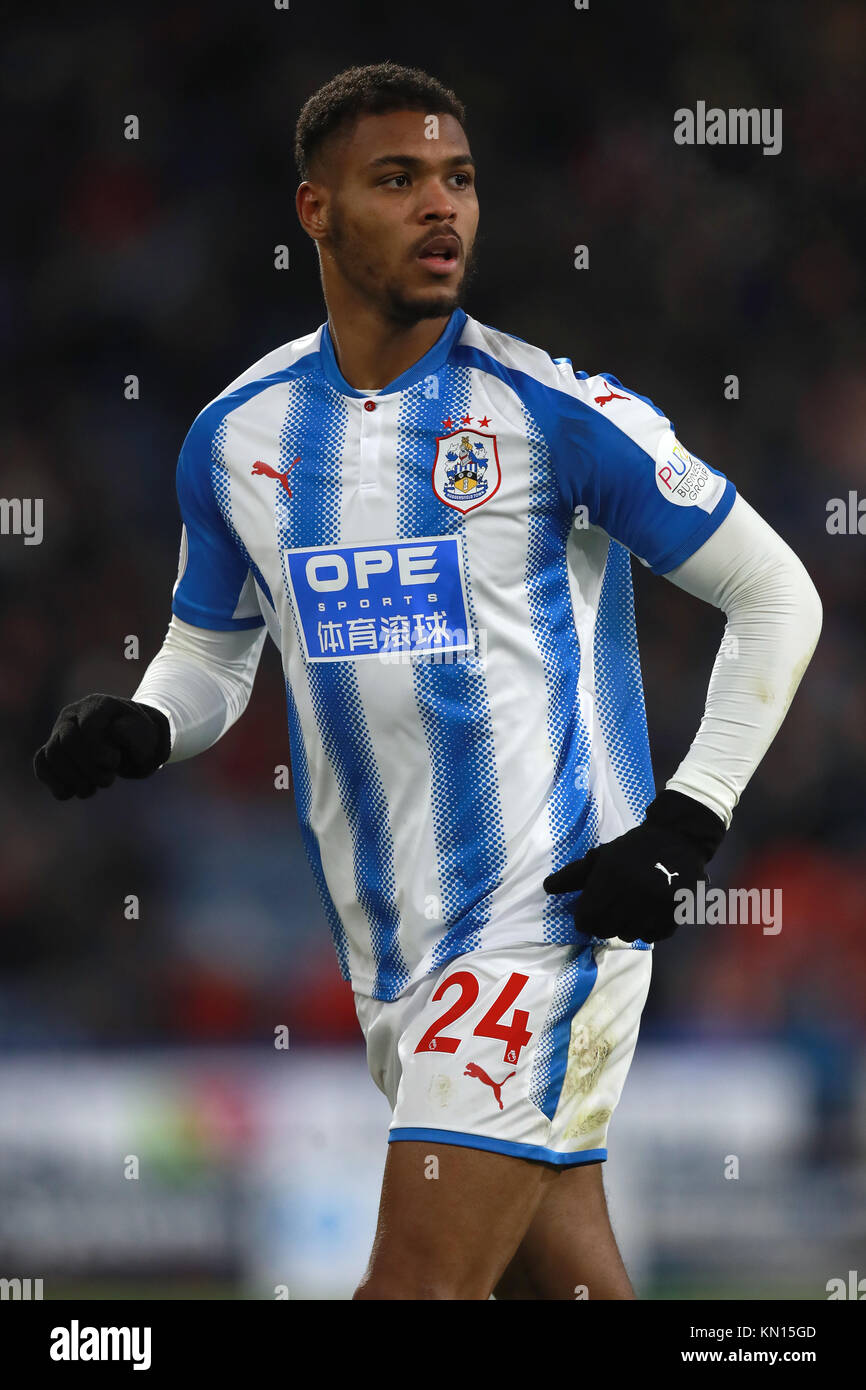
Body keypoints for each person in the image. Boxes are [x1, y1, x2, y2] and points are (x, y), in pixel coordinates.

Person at [33, 62, 822, 1300]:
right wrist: (142, 724)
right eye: (397, 180)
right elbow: (212, 652)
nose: (439, 207)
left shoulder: (551, 414)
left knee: (409, 1292)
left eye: (456, 179)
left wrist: (682, 823)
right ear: (315, 210)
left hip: (550, 916)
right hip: (392, 948)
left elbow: (777, 595)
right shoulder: (237, 435)